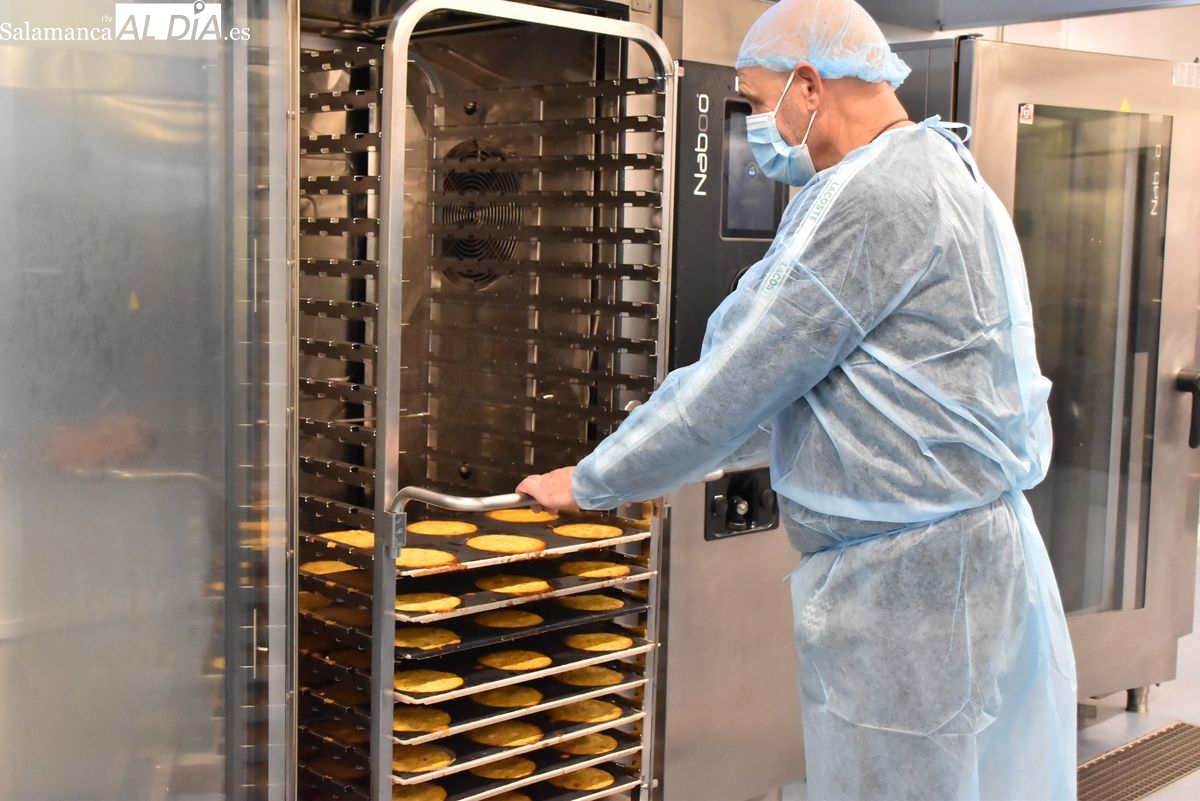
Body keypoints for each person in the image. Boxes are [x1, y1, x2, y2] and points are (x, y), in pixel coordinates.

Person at [516, 0, 1078, 798]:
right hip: (974, 560)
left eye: (753, 101)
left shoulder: (865, 199)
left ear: (809, 85)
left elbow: (737, 379)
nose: (754, 126)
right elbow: (847, 389)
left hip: (907, 591)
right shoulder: (948, 172)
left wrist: (594, 479)